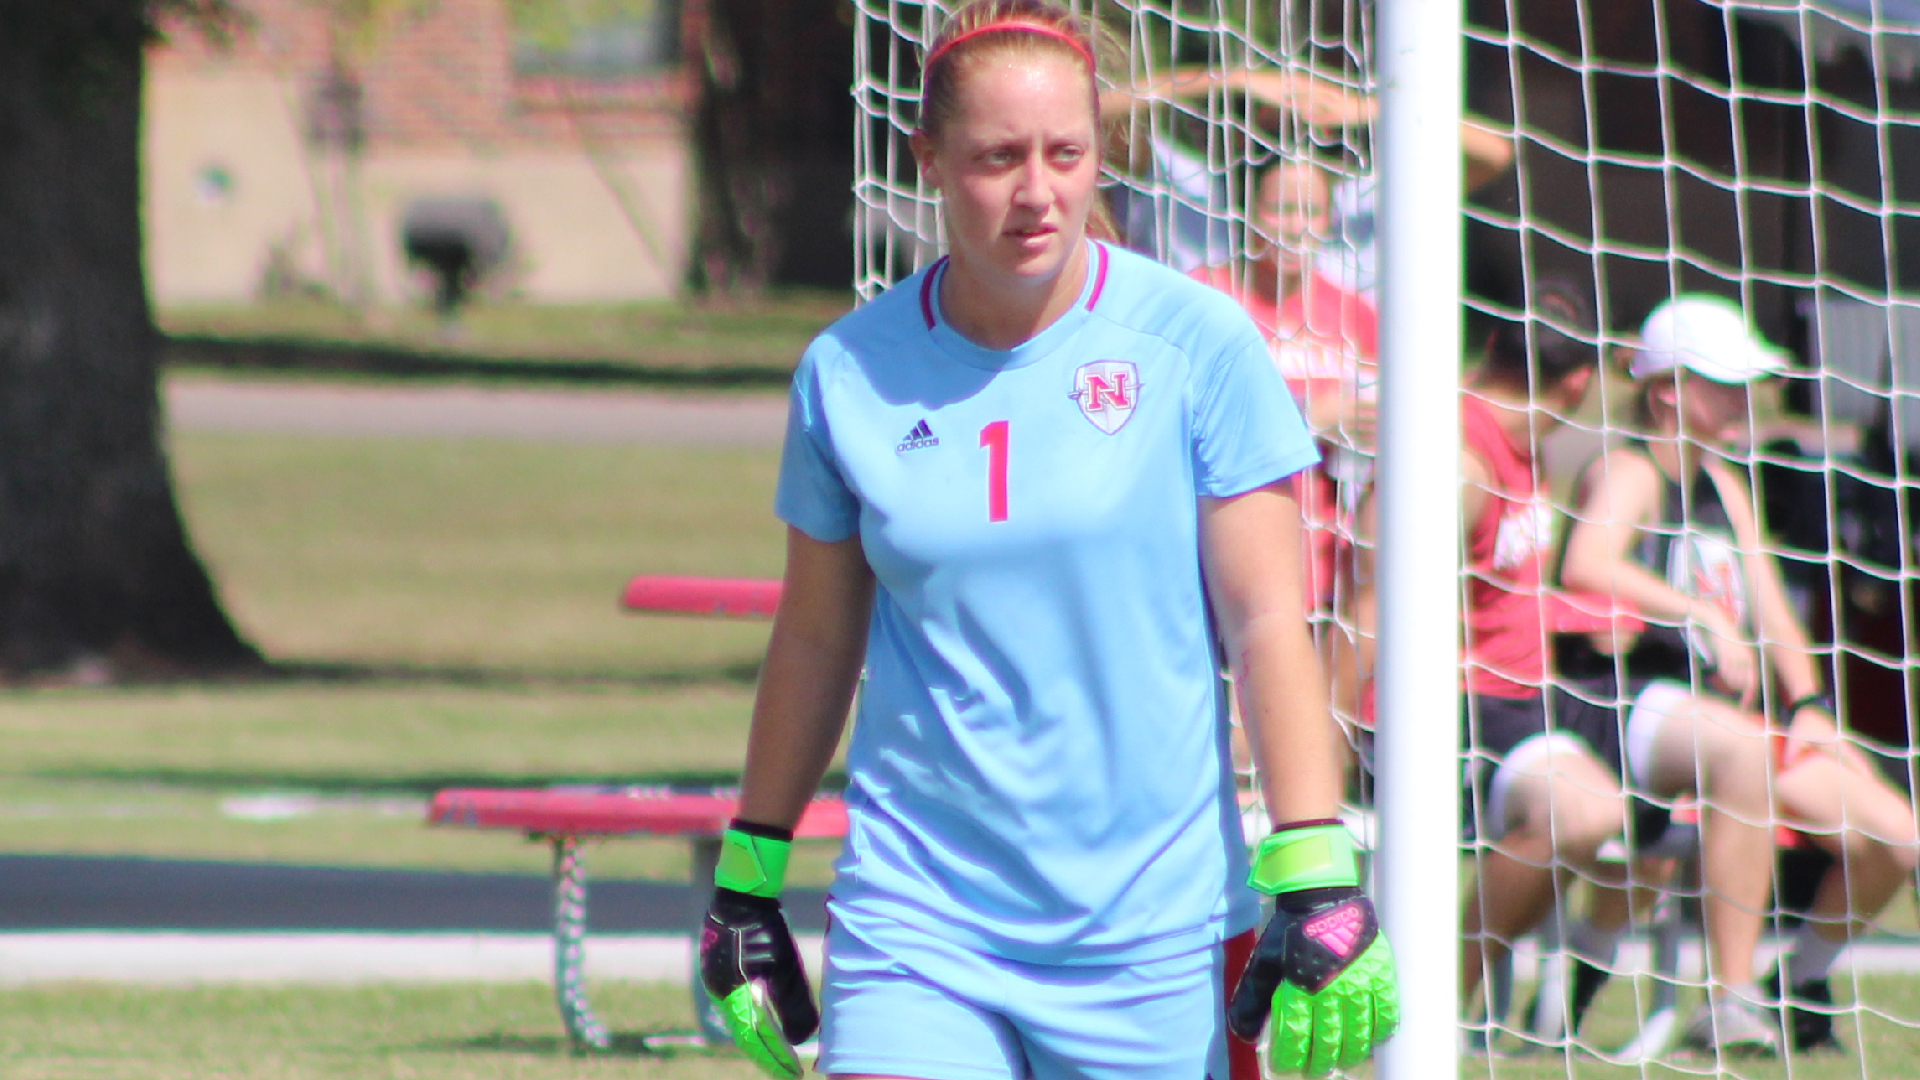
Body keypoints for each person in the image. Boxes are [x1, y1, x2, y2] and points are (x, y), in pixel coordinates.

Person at [693, 3, 1399, 1078]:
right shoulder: (845, 371)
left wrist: (1316, 868)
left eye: (1066, 153)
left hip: (1150, 932)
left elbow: (1267, 624)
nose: (1038, 191)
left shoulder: (1196, 343)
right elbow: (815, 639)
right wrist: (748, 876)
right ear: (927, 156)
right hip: (918, 919)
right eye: (996, 158)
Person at [1339, 282, 1785, 1055]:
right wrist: (1317, 739)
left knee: (1740, 752)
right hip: (1458, 707)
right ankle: (1434, 1007)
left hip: (1542, 692)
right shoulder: (1460, 459)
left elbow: (1512, 592)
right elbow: (1368, 606)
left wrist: (1588, 614)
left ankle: (1720, 998)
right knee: (1588, 813)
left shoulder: (1528, 443)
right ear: (1583, 383)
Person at [1556, 293, 1920, 1052]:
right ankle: (1727, 996)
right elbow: (1587, 563)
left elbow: (1773, 613)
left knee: (1896, 836)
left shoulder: (1724, 483)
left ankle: (1800, 986)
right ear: (1667, 393)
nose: (1744, 399)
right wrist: (1698, 614)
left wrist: (1812, 704)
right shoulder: (1631, 470)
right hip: (1628, 707)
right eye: (1722, 383)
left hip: (1731, 728)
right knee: (1741, 756)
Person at [1192, 158, 1376, 610]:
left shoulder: (1354, 313)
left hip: (1328, 560)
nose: (1296, 228)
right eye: (1280, 209)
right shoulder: (1203, 301)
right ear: (1245, 210)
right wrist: (1307, 417)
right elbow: (1186, 427)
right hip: (1226, 557)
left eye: (1311, 212)